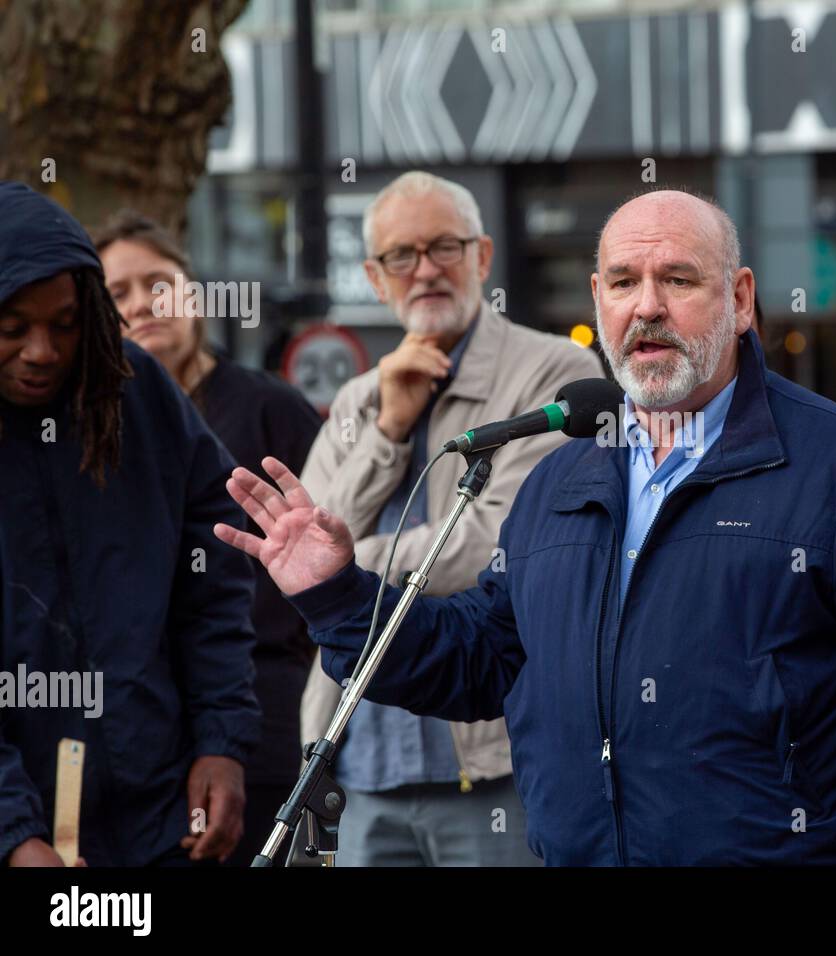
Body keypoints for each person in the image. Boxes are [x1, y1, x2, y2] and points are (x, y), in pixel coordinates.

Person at [216, 189, 836, 866]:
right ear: (598, 302)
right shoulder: (561, 478)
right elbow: (481, 660)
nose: (646, 305)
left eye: (678, 279)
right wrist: (337, 596)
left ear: (741, 299)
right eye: (623, 281)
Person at [294, 171, 601, 866]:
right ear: (375, 278)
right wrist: (388, 431)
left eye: (444, 247)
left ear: (483, 257)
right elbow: (302, 550)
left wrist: (340, 573)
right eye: (402, 256)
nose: (425, 270)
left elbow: (497, 544)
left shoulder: (553, 371)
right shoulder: (357, 400)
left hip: (492, 761)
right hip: (360, 760)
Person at [0, 181, 260, 867]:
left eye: (64, 323)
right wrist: (13, 835)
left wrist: (222, 742)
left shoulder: (137, 391)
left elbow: (215, 581)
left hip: (164, 822)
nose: (42, 352)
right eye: (11, 329)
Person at [95, 211, 323, 866]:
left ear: (193, 292)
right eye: (118, 293)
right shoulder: (89, 425)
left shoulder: (268, 408)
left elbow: (341, 549)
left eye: (159, 283)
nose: (143, 305)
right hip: (141, 728)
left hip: (267, 714)